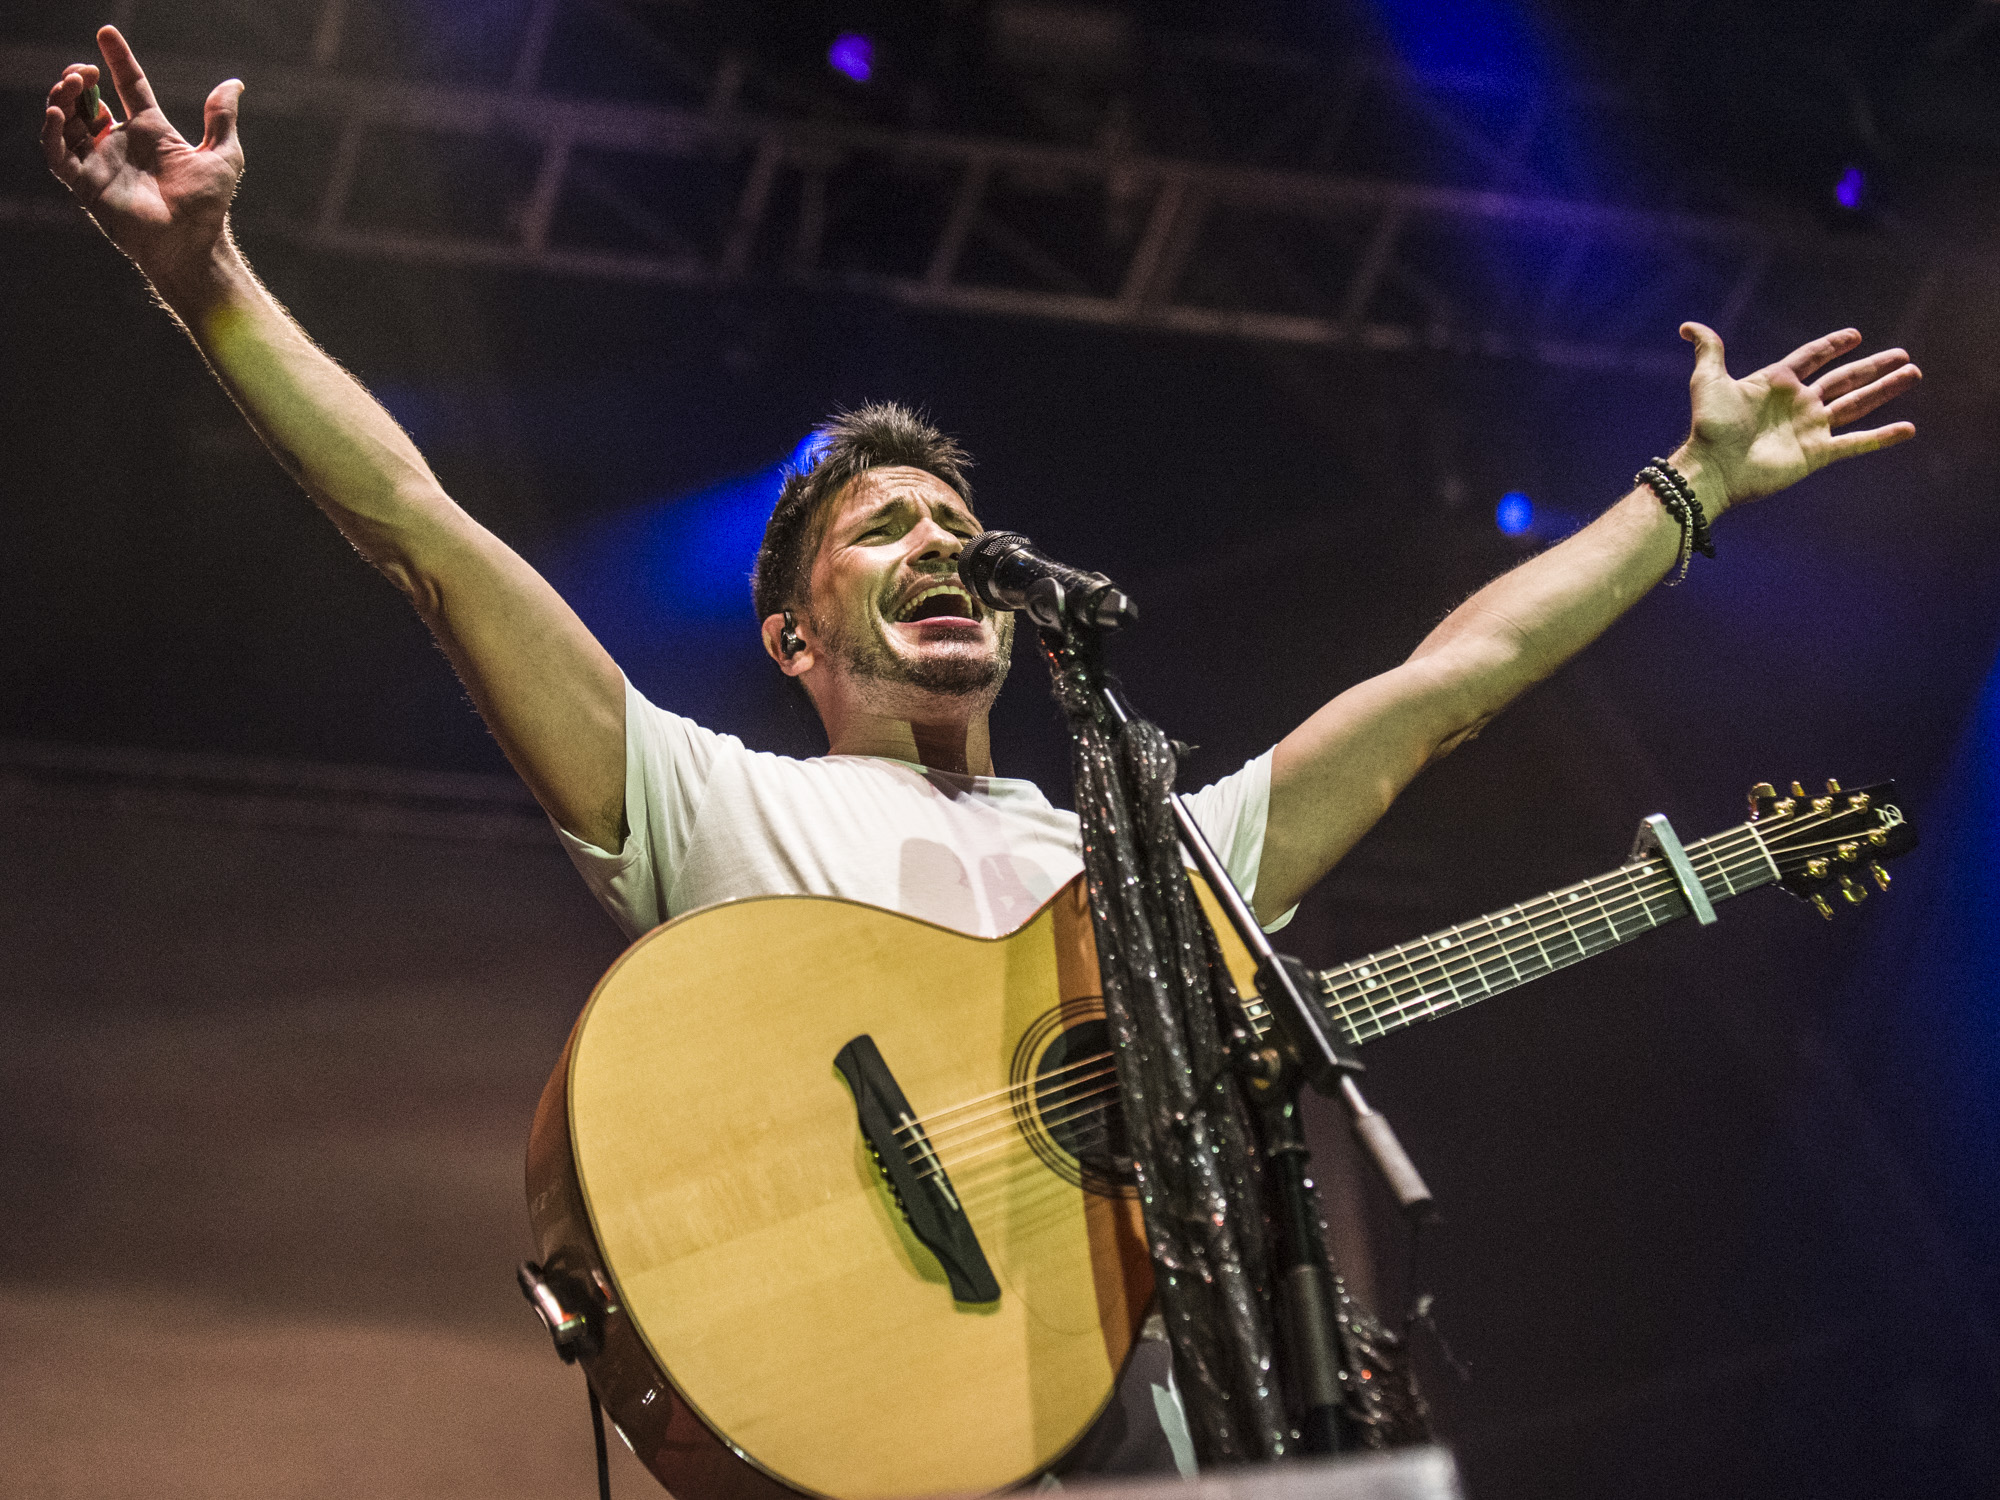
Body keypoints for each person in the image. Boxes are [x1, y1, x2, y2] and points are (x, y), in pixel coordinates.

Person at [42, 23, 1922, 1480]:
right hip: (875, 1416)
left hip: (1139, 1428)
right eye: (883, 527)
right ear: (793, 632)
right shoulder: (719, 796)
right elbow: (423, 531)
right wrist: (207, 281)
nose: (939, 541)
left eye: (960, 523)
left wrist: (1695, 486)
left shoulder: (1143, 855)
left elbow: (1448, 687)